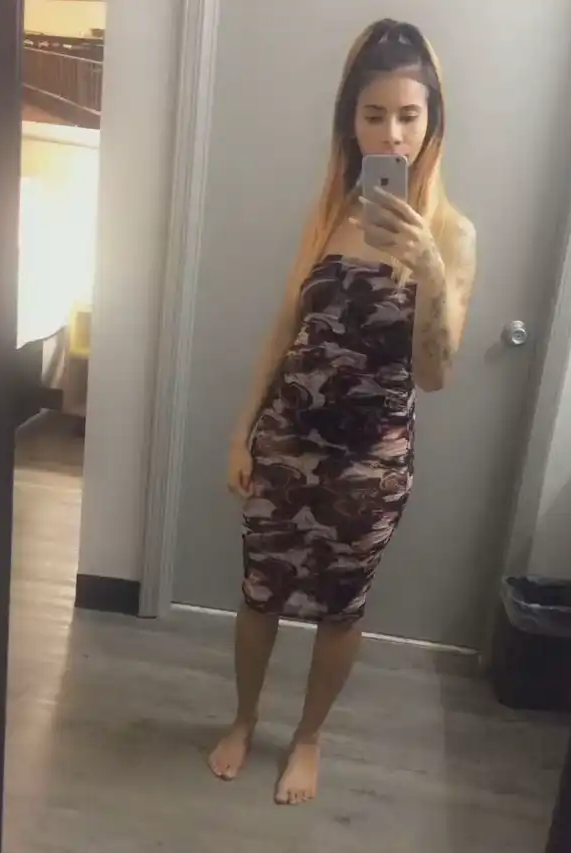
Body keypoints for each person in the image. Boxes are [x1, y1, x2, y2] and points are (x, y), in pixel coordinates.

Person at [208, 17, 477, 805]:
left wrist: (429, 268)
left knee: (340, 607)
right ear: (350, 121)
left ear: (432, 123)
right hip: (287, 438)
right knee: (259, 591)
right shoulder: (329, 212)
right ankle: (244, 717)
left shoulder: (454, 235)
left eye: (408, 116)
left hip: (371, 464)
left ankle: (309, 736)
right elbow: (285, 325)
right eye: (374, 115)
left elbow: (434, 374)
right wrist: (241, 430)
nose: (391, 134)